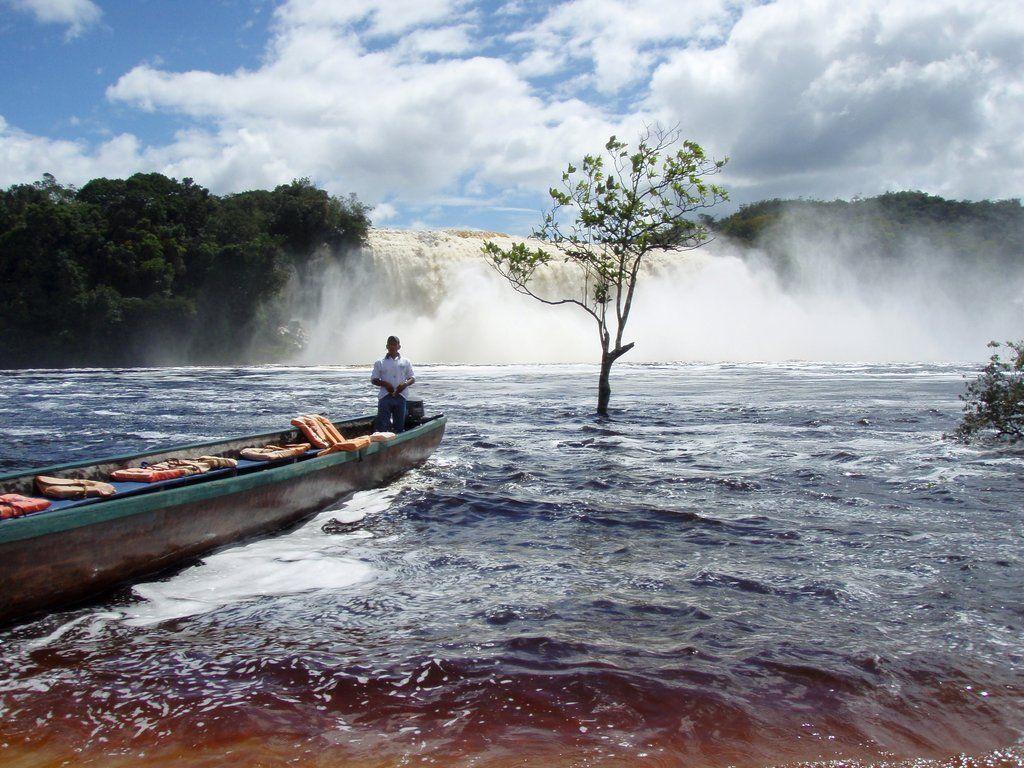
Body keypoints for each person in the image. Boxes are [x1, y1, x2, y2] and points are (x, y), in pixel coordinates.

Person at [371, 335, 415, 433]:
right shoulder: (380, 362)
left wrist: (404, 385)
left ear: (399, 347)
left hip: (401, 396)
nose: (392, 347)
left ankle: (397, 444)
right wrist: (386, 384)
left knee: (399, 426)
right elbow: (374, 379)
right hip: (385, 397)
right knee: (383, 425)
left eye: (394, 344)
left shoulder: (406, 362)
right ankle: (383, 445)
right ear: (387, 346)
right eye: (390, 345)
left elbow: (412, 378)